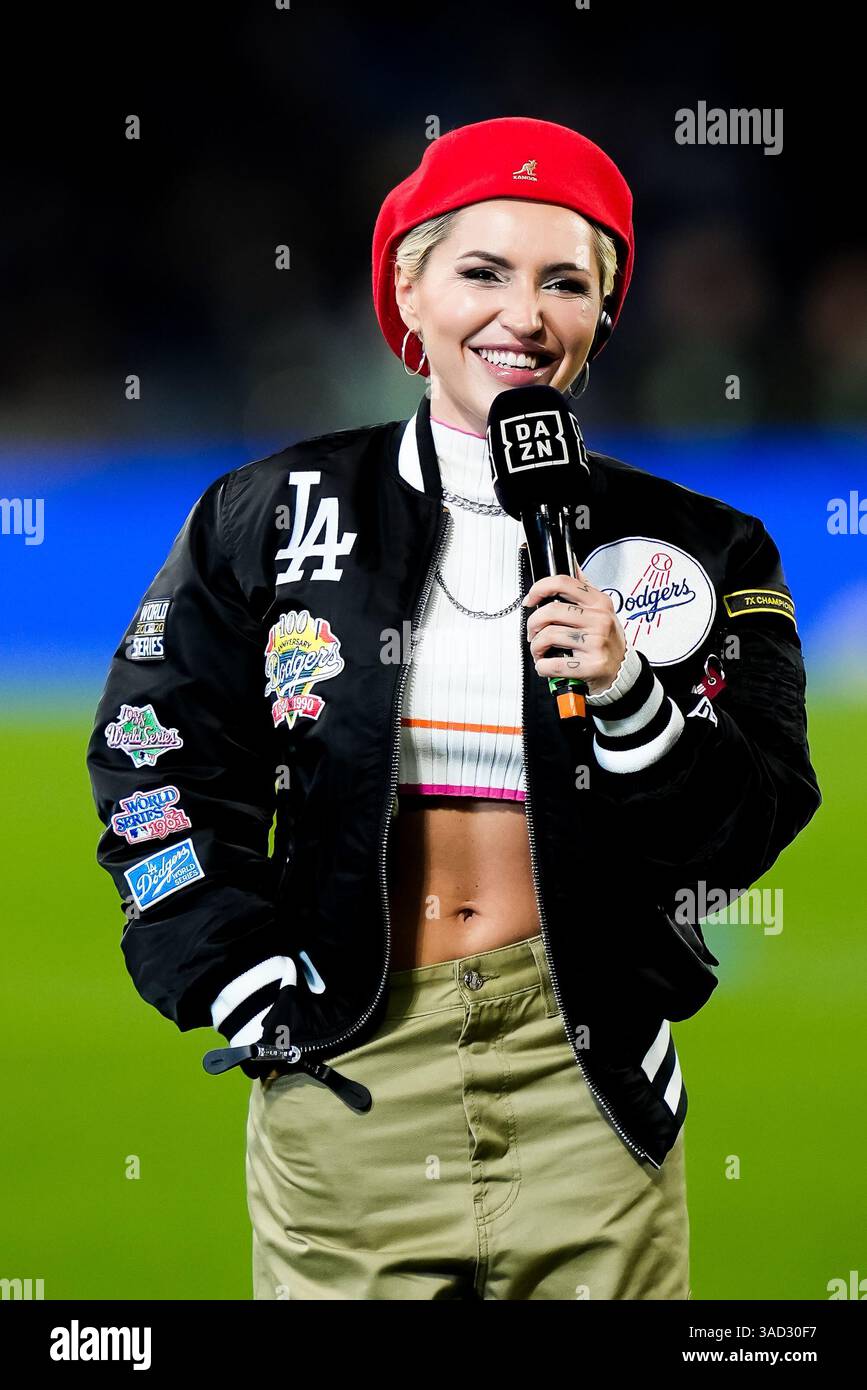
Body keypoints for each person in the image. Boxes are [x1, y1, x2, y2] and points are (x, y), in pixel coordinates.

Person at [86, 116, 822, 1300]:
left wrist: (630, 692)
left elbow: (756, 818)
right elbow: (150, 754)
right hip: (349, 1071)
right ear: (408, 294)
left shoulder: (707, 548)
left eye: (565, 282)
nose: (522, 315)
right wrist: (236, 976)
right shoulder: (266, 513)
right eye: (482, 272)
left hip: (591, 1084)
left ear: (603, 314)